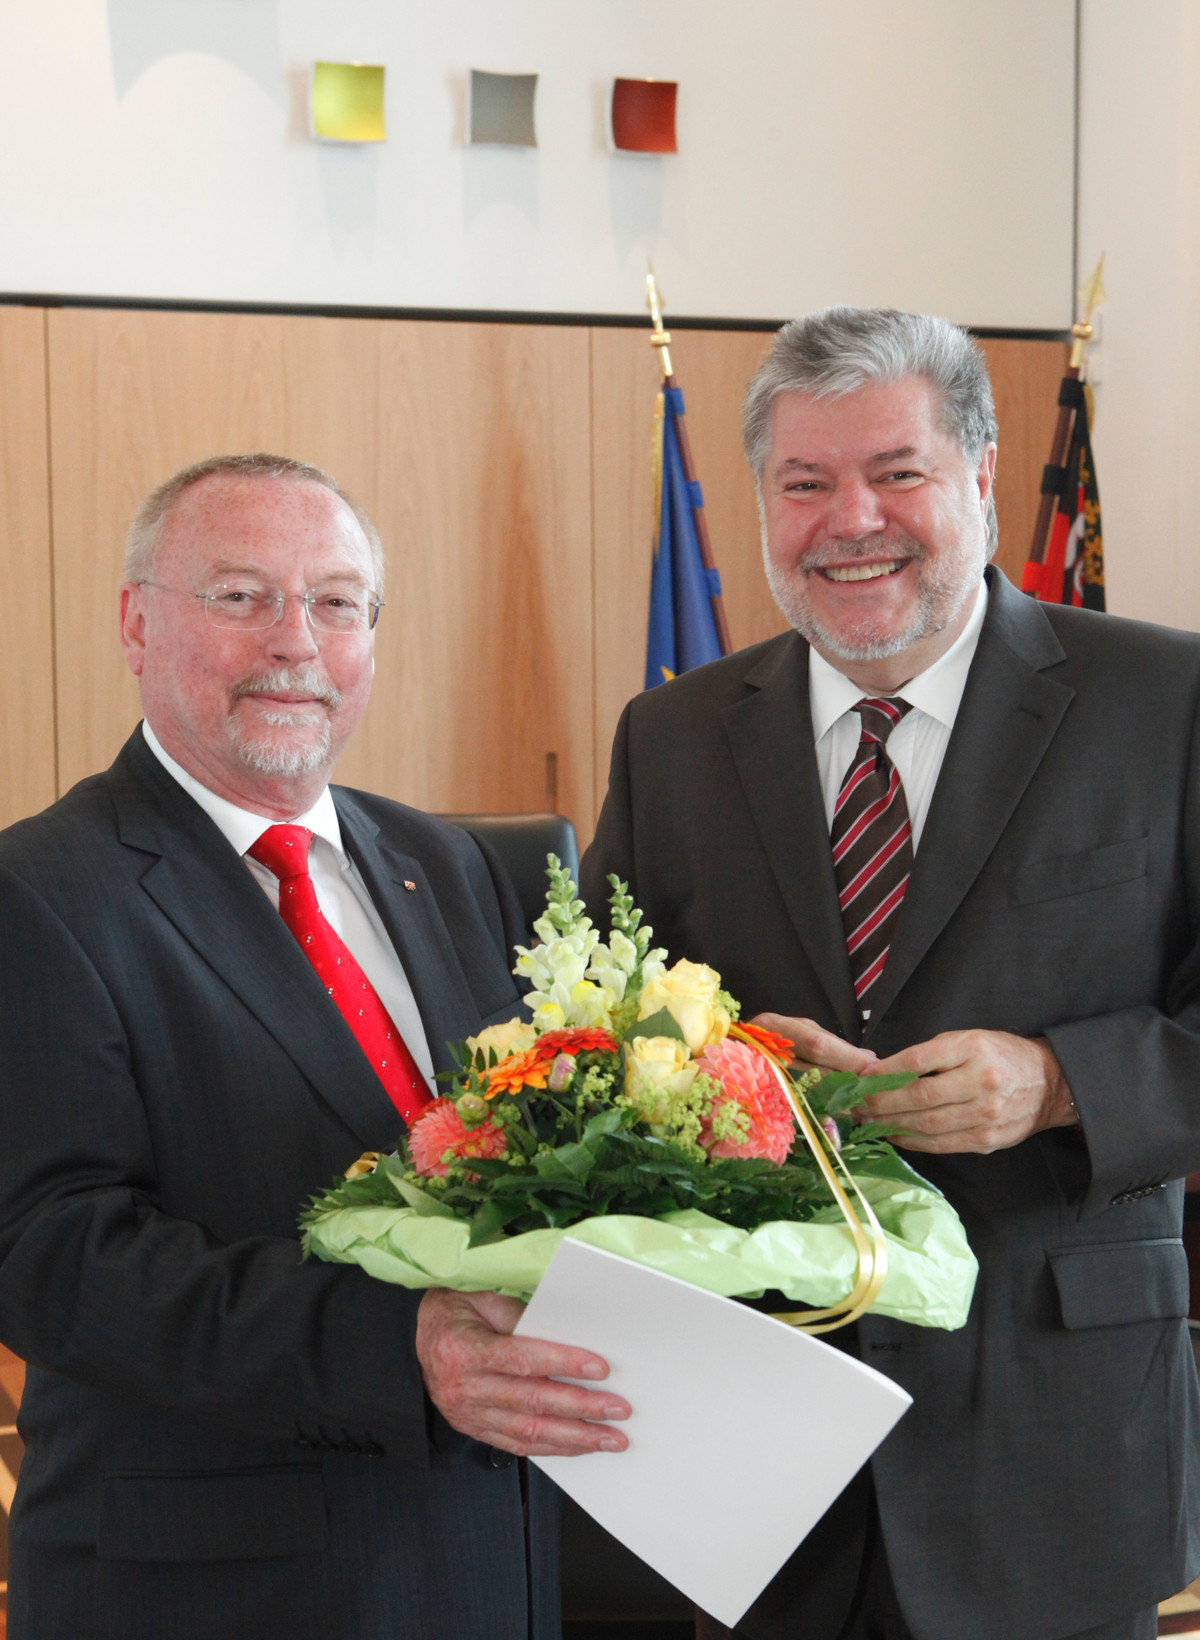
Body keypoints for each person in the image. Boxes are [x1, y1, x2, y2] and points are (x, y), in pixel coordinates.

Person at [581, 308, 1200, 1640]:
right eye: (806, 482)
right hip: (757, 1453)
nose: (850, 519)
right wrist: (732, 1073)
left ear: (982, 474)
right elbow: (592, 1046)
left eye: (896, 471)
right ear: (762, 501)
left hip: (1053, 1447)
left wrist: (1060, 1082)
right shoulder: (673, 736)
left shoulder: (1166, 701)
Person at [0, 453, 630, 1640]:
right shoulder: (38, 891)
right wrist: (400, 1346)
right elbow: (51, 1253)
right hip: (218, 1591)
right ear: (136, 623)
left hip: (485, 1560)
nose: (295, 640)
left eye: (337, 601)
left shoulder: (451, 864)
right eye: (241, 595)